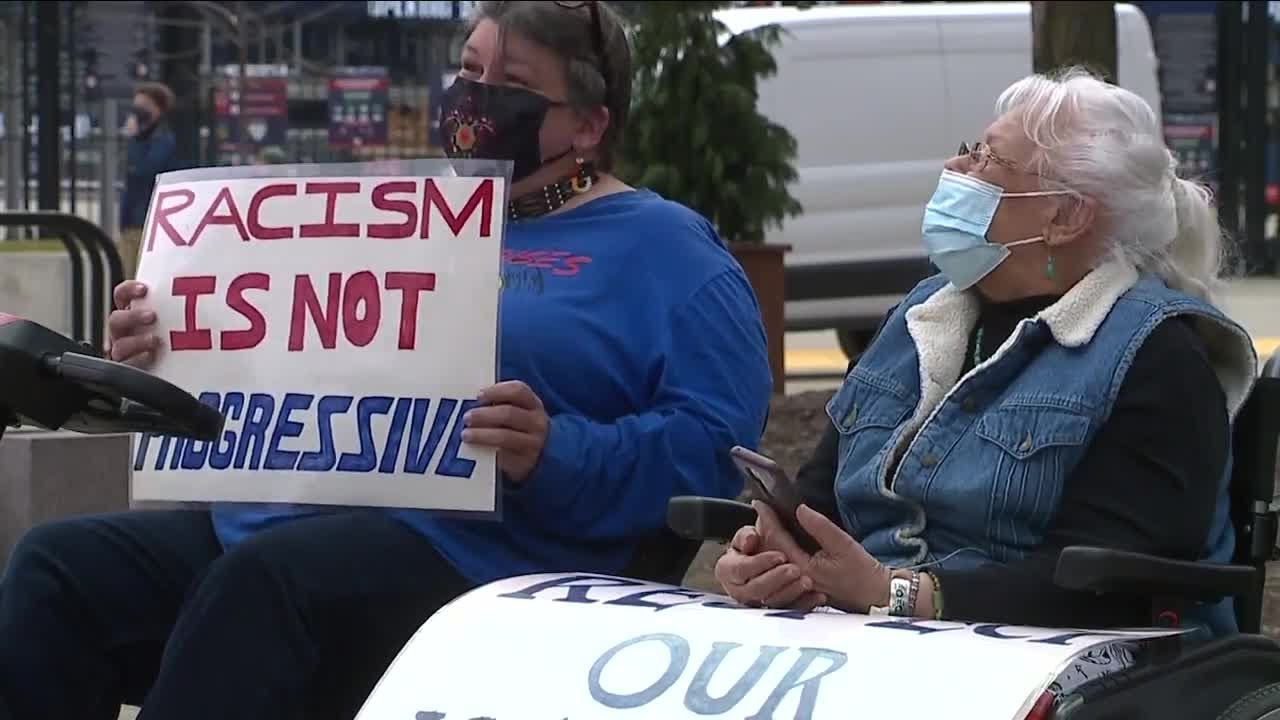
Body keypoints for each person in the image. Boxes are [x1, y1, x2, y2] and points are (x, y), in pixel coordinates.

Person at [0, 3, 772, 719]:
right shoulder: (396, 214)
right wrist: (169, 338)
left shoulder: (670, 253)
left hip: (491, 560)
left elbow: (710, 451)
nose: (477, 98)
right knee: (57, 570)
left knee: (268, 587)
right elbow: (276, 353)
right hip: (278, 524)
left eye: (513, 84)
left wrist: (556, 453)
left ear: (589, 124)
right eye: (470, 72)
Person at [714, 67, 1258, 637]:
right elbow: (821, 499)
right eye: (967, 152)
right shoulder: (921, 316)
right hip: (864, 645)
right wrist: (767, 557)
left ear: (1066, 216)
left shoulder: (1159, 358)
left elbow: (1109, 581)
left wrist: (893, 593)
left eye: (985, 161)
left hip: (1042, 667)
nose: (954, 170)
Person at [118, 81, 179, 280]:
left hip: (147, 221)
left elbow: (143, 170)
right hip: (132, 221)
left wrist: (134, 139)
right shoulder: (143, 139)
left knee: (137, 278)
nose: (138, 110)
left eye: (144, 105)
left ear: (157, 109)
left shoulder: (163, 140)